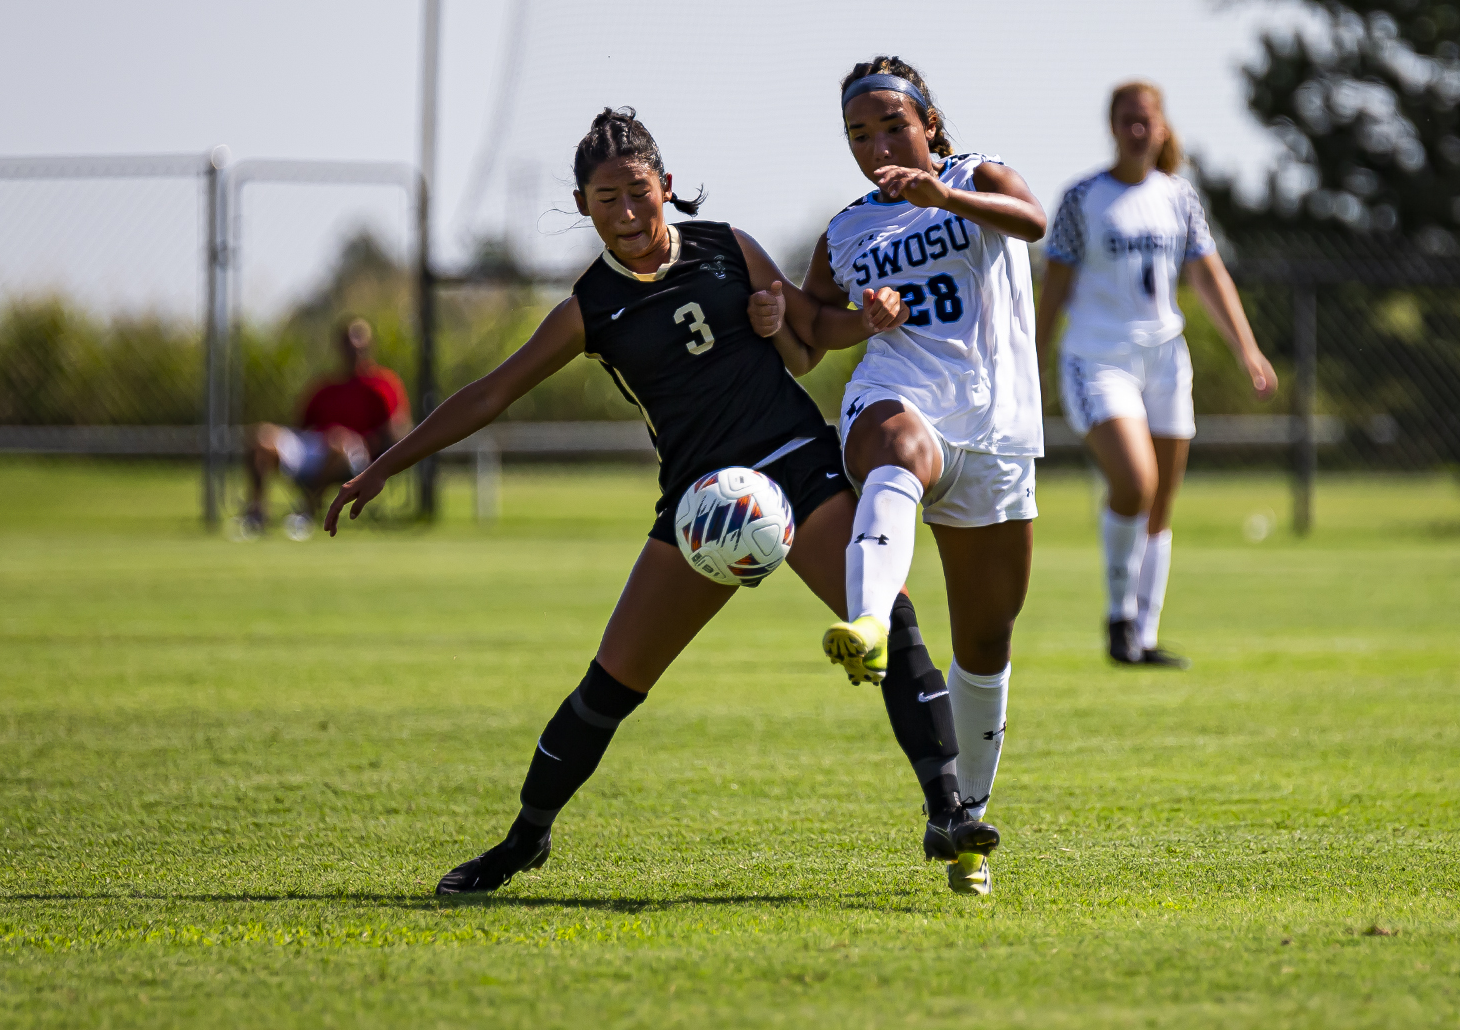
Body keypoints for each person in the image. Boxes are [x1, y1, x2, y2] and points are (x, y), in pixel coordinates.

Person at [323, 108, 999, 897]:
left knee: (890, 619)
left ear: (666, 185)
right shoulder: (589, 308)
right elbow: (491, 393)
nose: (626, 213)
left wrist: (827, 318)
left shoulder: (728, 246)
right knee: (609, 687)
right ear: (583, 206)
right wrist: (384, 465)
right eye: (605, 199)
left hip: (799, 466)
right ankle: (523, 840)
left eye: (638, 192)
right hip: (702, 506)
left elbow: (808, 341)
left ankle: (948, 811)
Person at [787, 57, 1048, 897]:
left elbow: (1033, 221)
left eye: (892, 126)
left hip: (995, 433)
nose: (876, 146)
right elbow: (811, 332)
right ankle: (868, 624)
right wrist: (853, 321)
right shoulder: (846, 230)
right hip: (897, 396)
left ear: (929, 124)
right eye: (857, 134)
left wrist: (946, 197)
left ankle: (966, 828)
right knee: (897, 448)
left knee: (987, 643)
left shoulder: (978, 177)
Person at [1036, 81, 1277, 667]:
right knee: (1134, 482)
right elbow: (1056, 287)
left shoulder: (1179, 196)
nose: (1137, 130)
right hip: (1098, 359)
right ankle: (1118, 617)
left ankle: (1143, 636)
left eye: (1146, 120)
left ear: (1163, 126)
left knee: (1161, 501)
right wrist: (1032, 361)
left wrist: (1246, 348)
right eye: (1127, 119)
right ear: (1111, 127)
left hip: (1166, 360)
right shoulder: (1082, 198)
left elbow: (1209, 275)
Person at [244, 319, 410, 539]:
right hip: (318, 446)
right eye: (348, 345)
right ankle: (256, 515)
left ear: (369, 346)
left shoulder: (384, 384)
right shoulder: (325, 386)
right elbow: (301, 428)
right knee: (263, 437)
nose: (354, 351)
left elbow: (398, 428)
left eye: (359, 345)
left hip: (357, 454)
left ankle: (308, 510)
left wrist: (365, 444)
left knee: (338, 444)